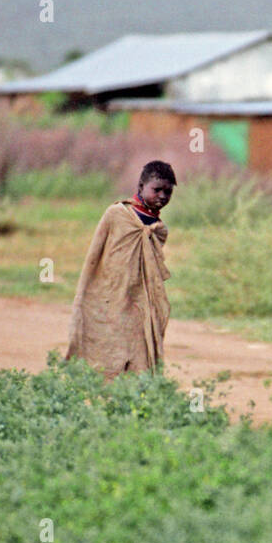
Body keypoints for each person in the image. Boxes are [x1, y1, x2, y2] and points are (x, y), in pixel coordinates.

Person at [64, 160, 176, 379]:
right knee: (110, 341)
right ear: (141, 186)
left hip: (142, 298)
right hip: (112, 292)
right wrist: (94, 288)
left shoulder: (158, 228)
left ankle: (137, 390)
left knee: (140, 342)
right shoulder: (117, 214)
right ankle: (102, 384)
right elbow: (95, 256)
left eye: (168, 192)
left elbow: (149, 268)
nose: (162, 196)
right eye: (157, 190)